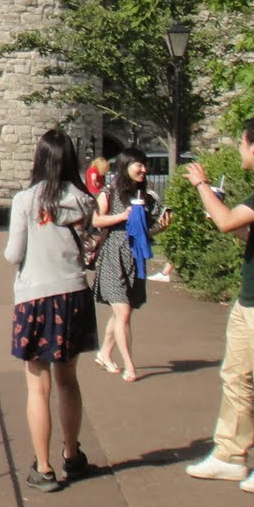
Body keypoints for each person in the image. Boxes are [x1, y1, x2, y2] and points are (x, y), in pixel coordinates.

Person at [182, 115, 254, 493]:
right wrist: (217, 208)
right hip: (251, 297)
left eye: (241, 143)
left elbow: (227, 224)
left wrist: (202, 185)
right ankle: (230, 454)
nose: (239, 150)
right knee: (235, 376)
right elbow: (246, 232)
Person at [5, 128, 98, 491]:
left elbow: (14, 253)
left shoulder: (26, 201)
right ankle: (72, 454)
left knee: (37, 386)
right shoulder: (83, 200)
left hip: (35, 297)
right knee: (68, 380)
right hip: (73, 294)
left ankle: (43, 468)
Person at [91, 148, 164, 382]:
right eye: (138, 165)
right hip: (112, 256)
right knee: (123, 312)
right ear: (125, 166)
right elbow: (96, 220)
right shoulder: (109, 192)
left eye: (144, 165)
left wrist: (162, 226)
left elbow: (144, 230)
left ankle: (104, 353)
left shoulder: (146, 197)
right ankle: (130, 366)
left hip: (134, 257)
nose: (143, 169)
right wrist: (123, 216)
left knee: (121, 312)